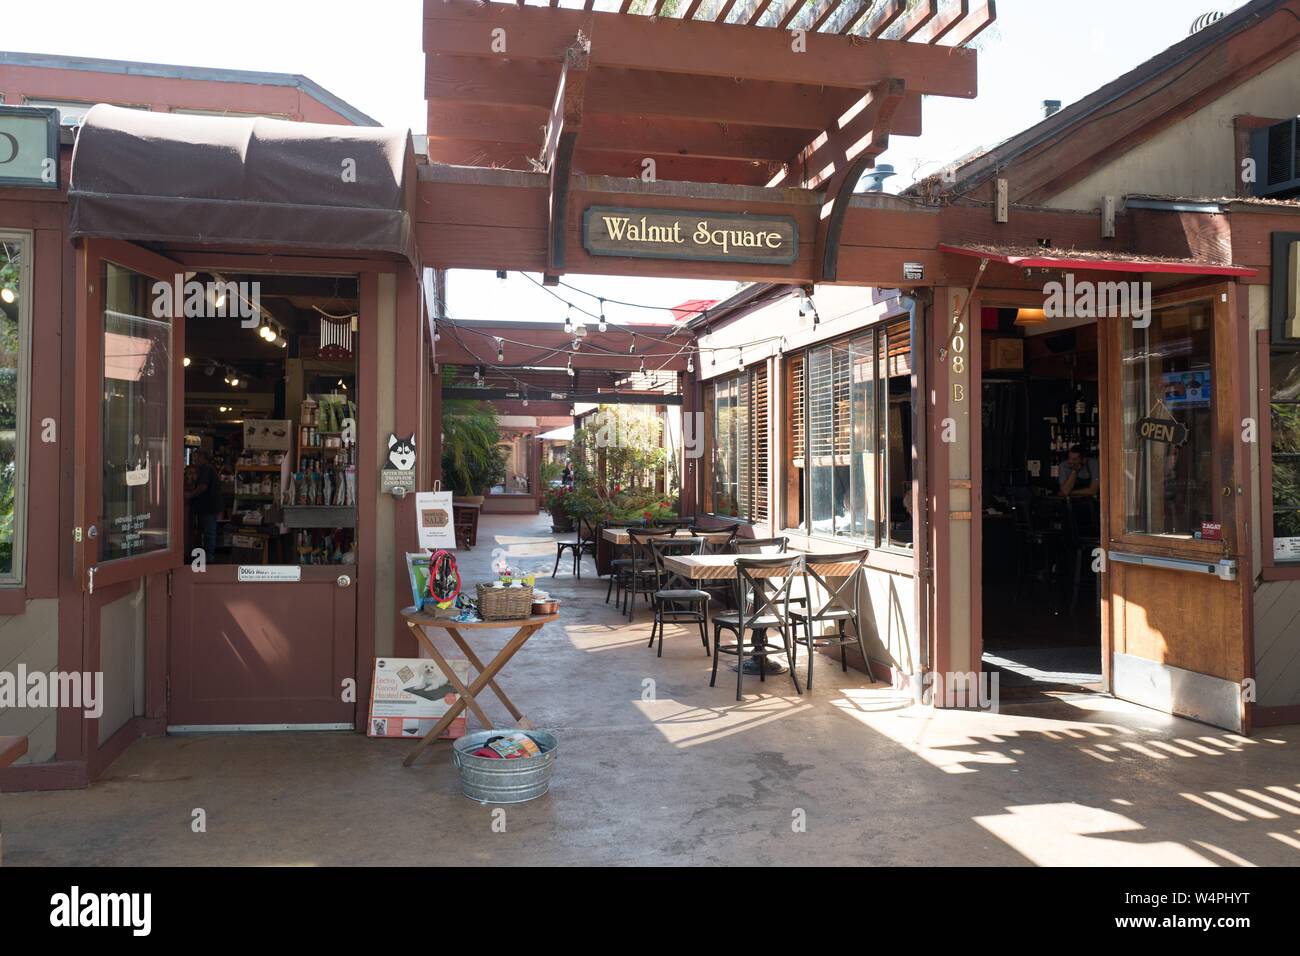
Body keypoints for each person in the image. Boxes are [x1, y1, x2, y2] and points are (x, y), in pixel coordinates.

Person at [186, 449, 223, 558]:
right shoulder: (206, 469)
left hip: (209, 506)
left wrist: (191, 495)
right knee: (207, 531)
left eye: (196, 457)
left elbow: (203, 486)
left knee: (208, 531)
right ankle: (207, 554)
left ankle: (209, 556)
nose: (194, 460)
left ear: (202, 457)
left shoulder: (206, 469)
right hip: (208, 506)